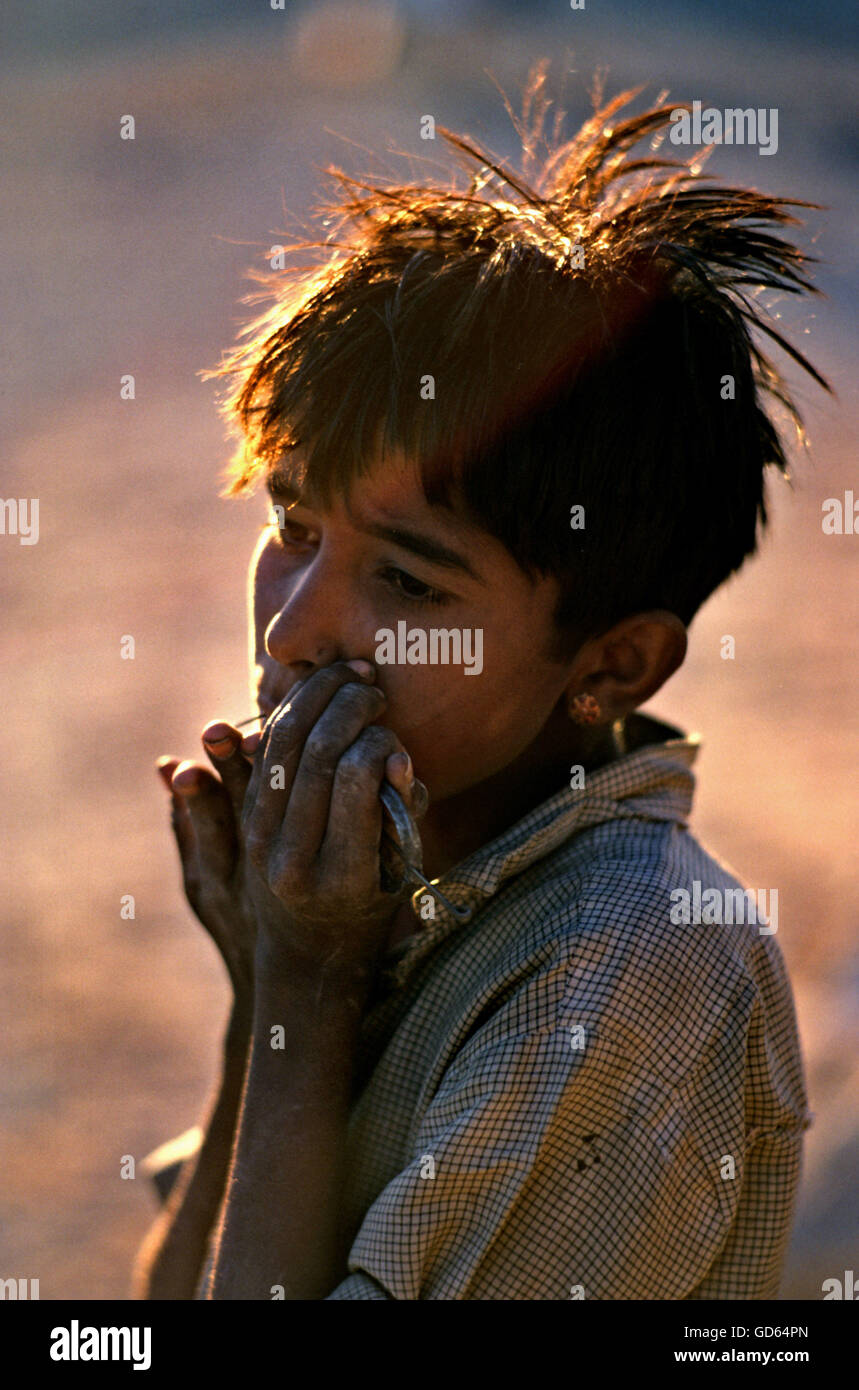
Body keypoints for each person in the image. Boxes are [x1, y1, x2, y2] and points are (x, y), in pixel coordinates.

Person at [132, 76, 825, 1300]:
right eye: (292, 524)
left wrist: (307, 987)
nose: (293, 633)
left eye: (407, 581)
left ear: (610, 665)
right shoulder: (410, 888)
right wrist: (266, 1010)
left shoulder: (616, 983)